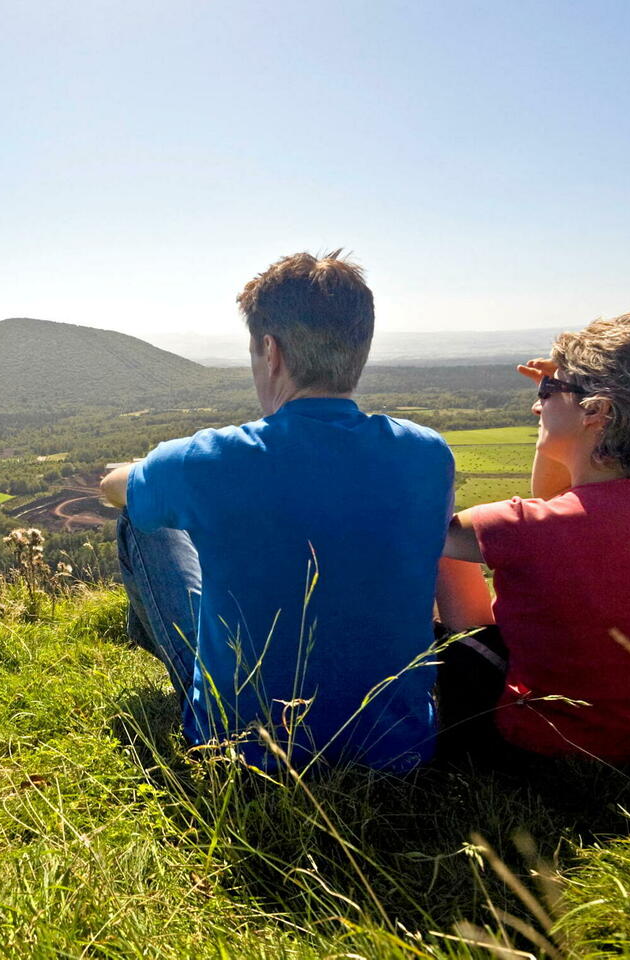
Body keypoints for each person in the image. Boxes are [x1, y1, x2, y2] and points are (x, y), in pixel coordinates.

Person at [101, 251, 454, 771]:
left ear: (271, 351)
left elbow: (114, 489)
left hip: (243, 744)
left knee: (142, 514)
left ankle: (172, 659)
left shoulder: (209, 459)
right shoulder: (428, 453)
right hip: (395, 748)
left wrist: (141, 470)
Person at [437, 313, 630, 767]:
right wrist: (562, 402)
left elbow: (433, 537)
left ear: (596, 412)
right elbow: (564, 503)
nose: (537, 407)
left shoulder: (518, 528)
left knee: (441, 561)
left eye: (547, 393)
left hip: (538, 749)